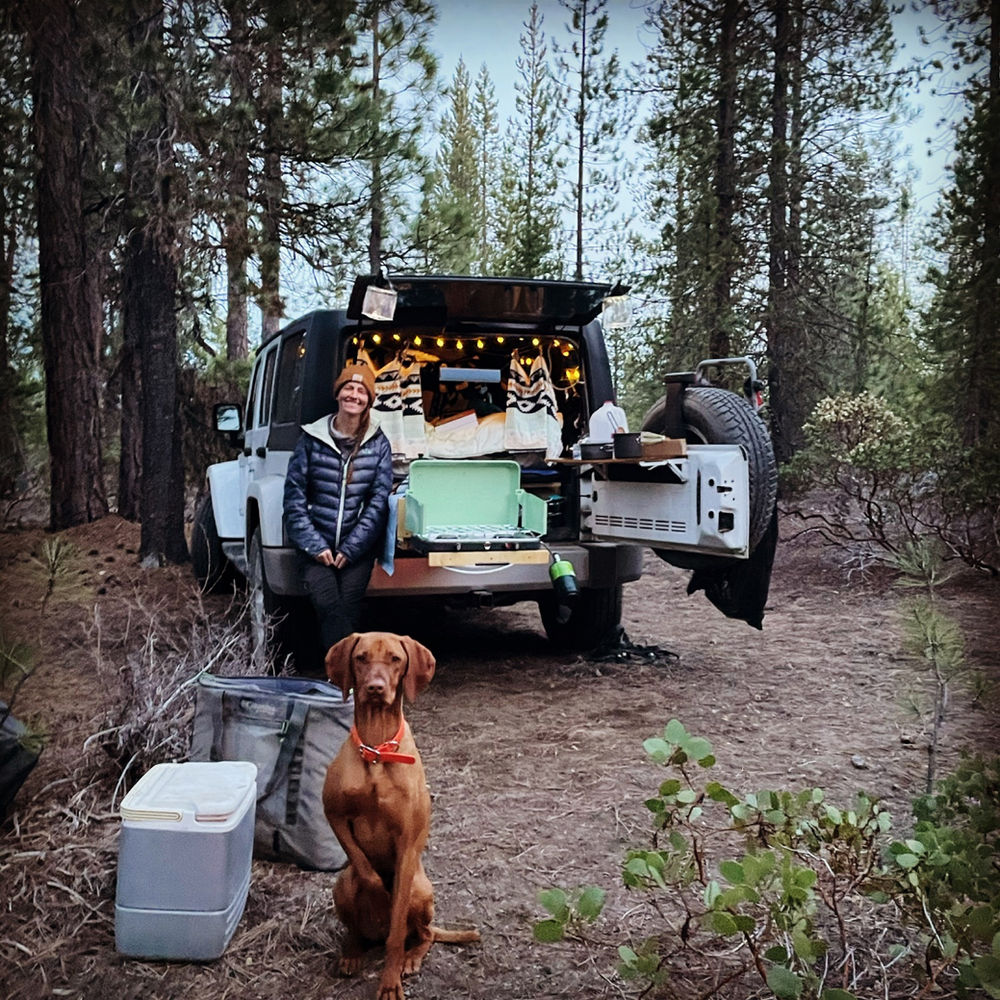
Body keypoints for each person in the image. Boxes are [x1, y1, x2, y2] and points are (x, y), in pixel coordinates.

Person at [283, 361, 393, 659]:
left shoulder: (378, 442)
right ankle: (346, 674)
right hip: (315, 547)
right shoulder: (312, 438)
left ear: (369, 399)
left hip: (355, 549)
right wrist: (314, 545)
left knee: (349, 606)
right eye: (348, 388)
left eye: (361, 391)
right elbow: (294, 497)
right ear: (338, 394)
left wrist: (353, 547)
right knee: (327, 603)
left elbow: (378, 499)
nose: (354, 395)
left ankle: (341, 675)